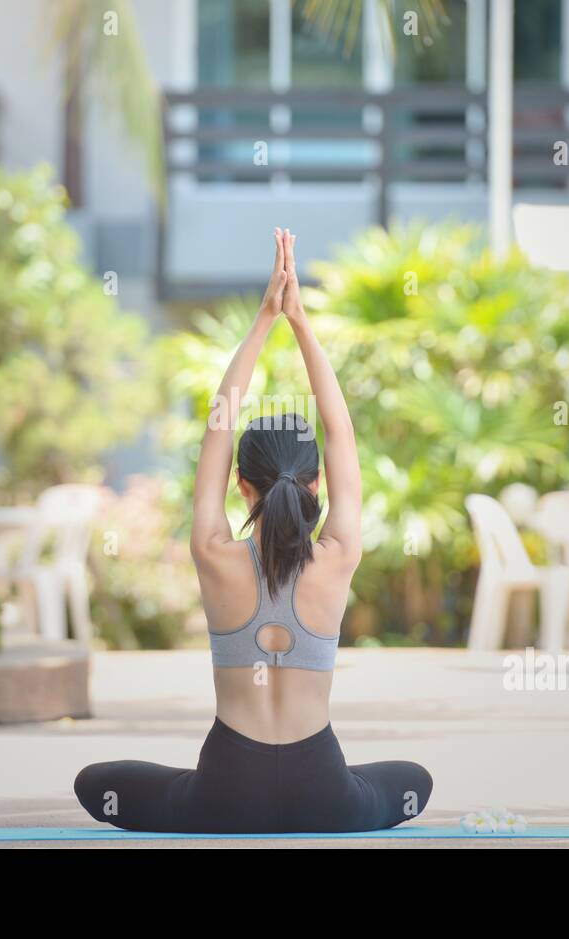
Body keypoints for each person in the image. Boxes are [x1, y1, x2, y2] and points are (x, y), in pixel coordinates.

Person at [74, 229, 431, 833]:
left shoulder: (213, 554)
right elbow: (340, 433)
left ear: (242, 484)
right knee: (413, 781)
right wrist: (301, 323)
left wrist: (265, 319)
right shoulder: (339, 555)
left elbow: (219, 425)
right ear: (315, 485)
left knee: (96, 783)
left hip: (224, 794)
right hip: (326, 793)